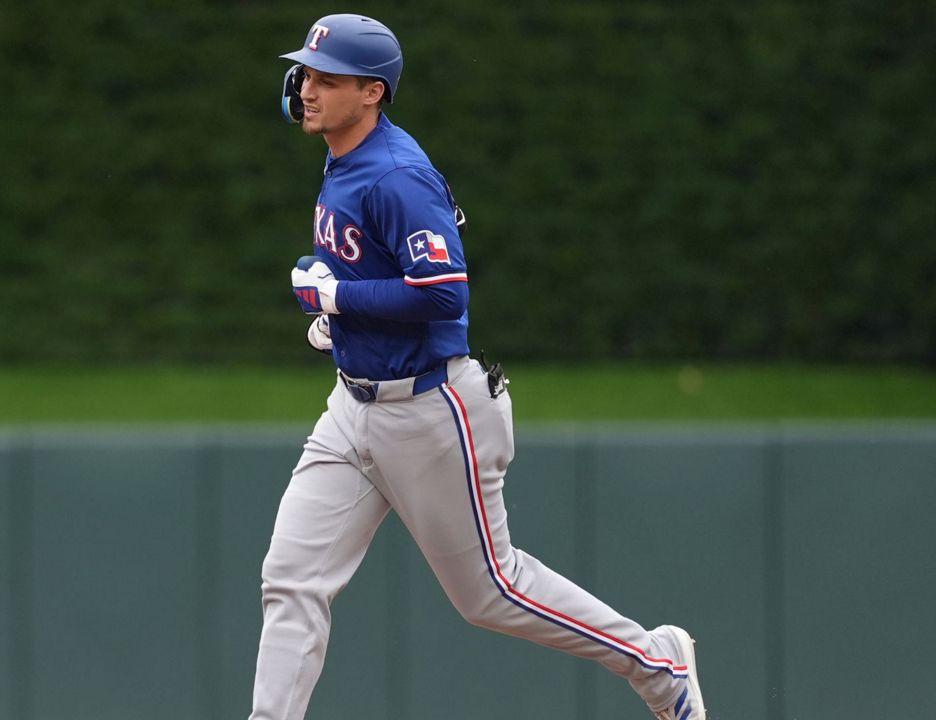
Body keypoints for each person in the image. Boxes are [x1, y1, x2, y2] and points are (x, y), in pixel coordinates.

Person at [252, 13, 706, 720]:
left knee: (491, 593)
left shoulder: (397, 175)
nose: (307, 89)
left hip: (430, 408)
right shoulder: (345, 156)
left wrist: (337, 294)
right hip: (353, 410)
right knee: (291, 578)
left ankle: (656, 663)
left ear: (372, 93)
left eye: (327, 79)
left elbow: (443, 293)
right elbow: (378, 270)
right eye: (306, 74)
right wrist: (339, 301)